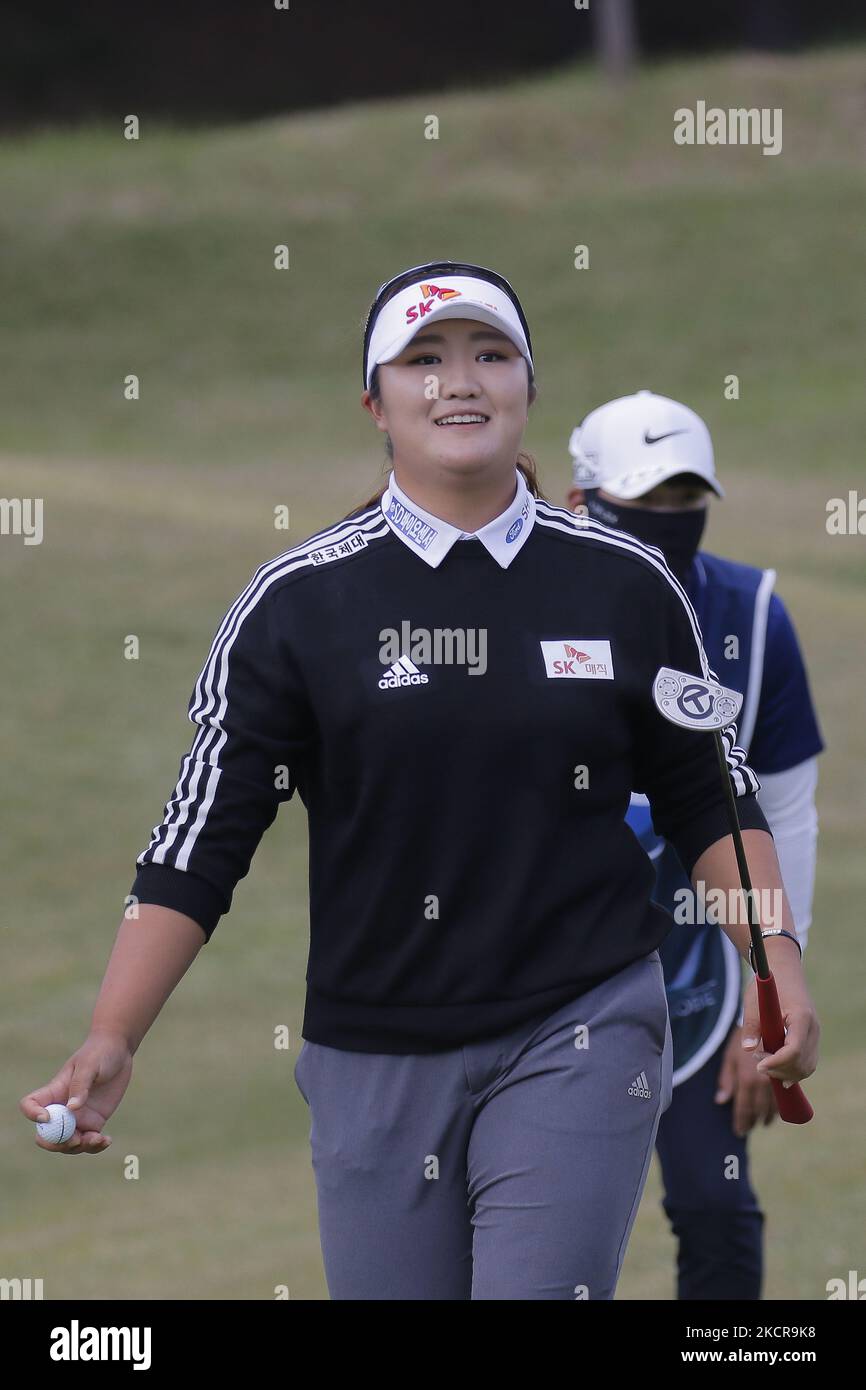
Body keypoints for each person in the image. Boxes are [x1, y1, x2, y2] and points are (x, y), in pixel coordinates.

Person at [20, 263, 819, 1302]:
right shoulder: (297, 604)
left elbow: (709, 796)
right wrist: (112, 1033)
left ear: (528, 389)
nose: (459, 381)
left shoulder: (623, 583)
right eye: (423, 360)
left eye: (490, 354)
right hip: (372, 1054)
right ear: (375, 405)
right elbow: (200, 837)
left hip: (582, 1020)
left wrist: (777, 967)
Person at [566, 389, 824, 1300]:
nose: (668, 522)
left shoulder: (753, 616)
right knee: (544, 1228)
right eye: (645, 504)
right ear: (582, 501)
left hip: (705, 985)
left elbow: (783, 815)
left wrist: (772, 996)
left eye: (686, 501)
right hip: (555, 982)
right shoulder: (539, 608)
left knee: (717, 1214)